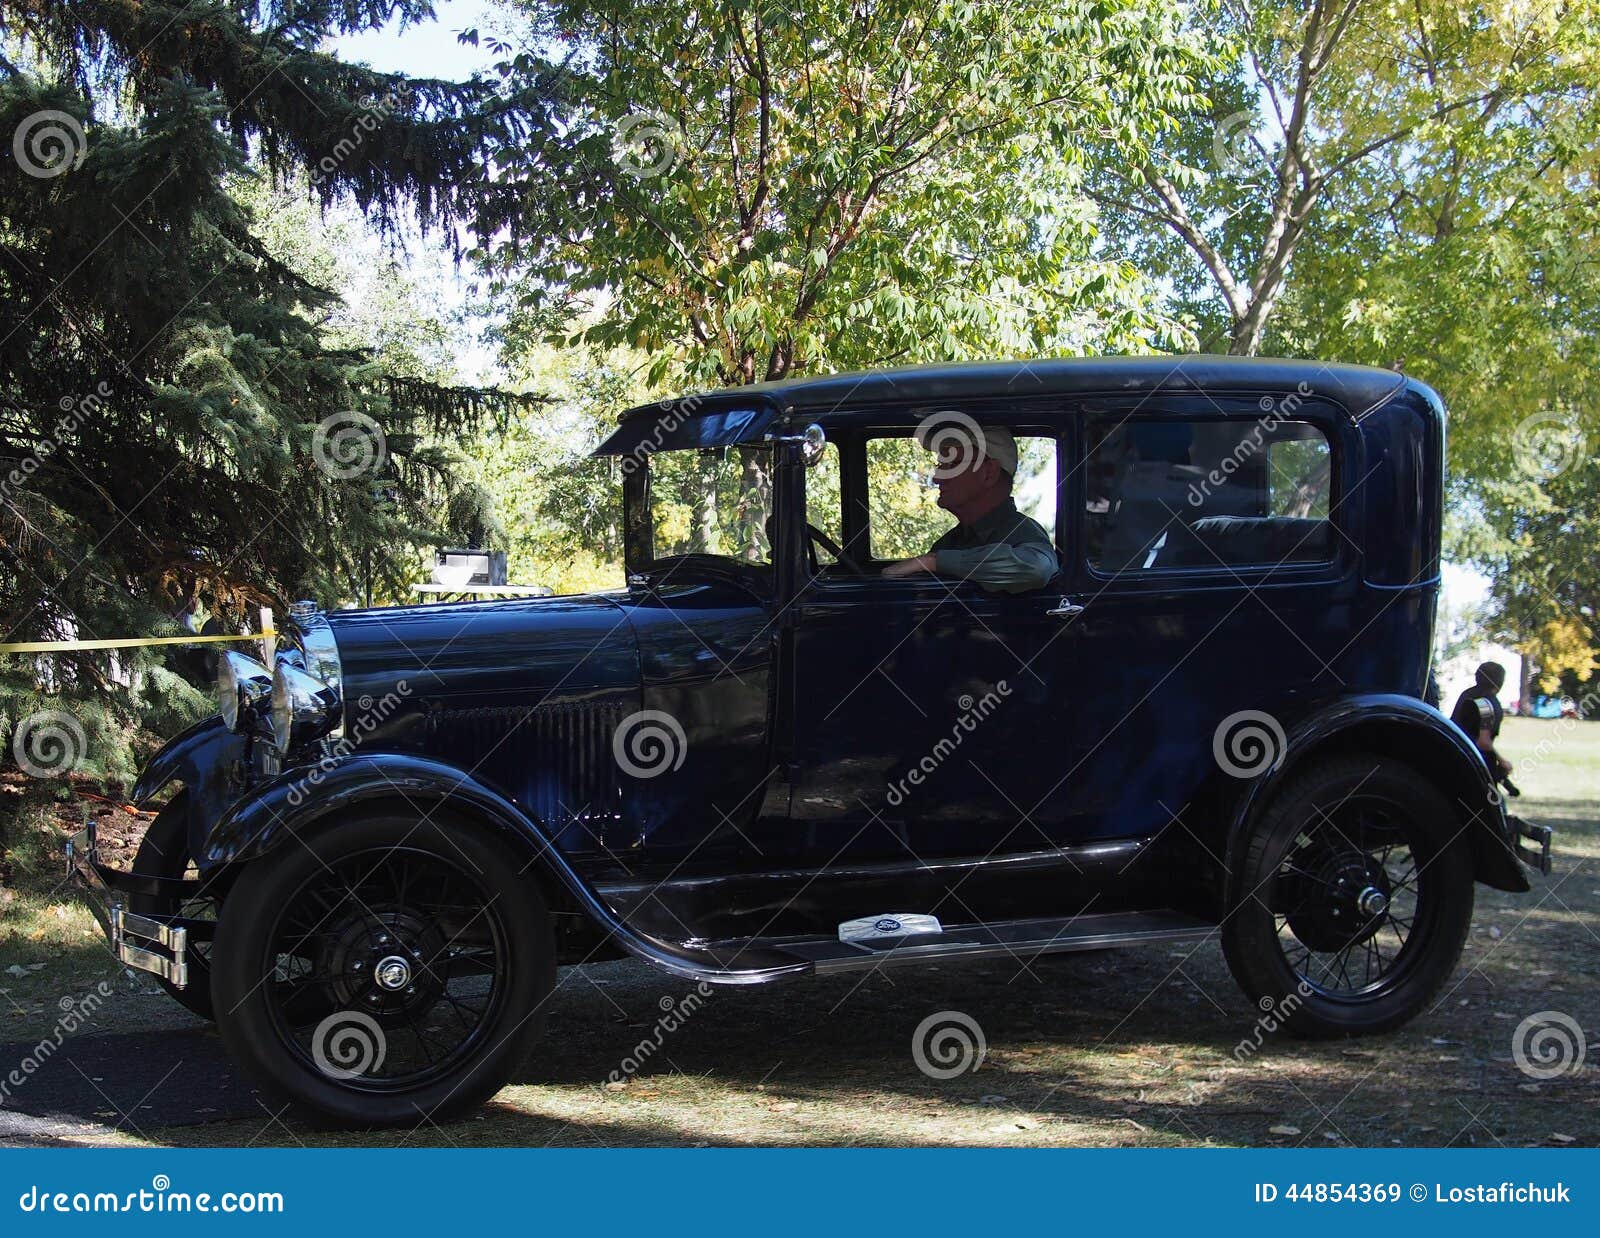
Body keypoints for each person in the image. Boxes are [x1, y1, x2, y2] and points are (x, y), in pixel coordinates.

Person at [880, 422, 1057, 594]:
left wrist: (932, 562)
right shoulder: (949, 542)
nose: (937, 478)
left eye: (953, 465)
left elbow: (1037, 569)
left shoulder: (1021, 531)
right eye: (940, 466)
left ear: (989, 473)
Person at [1451, 662, 1516, 790]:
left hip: (1455, 757)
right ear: (1500, 682)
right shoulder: (1488, 704)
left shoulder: (1467, 694)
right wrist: (1502, 761)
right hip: (1477, 766)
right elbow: (1483, 742)